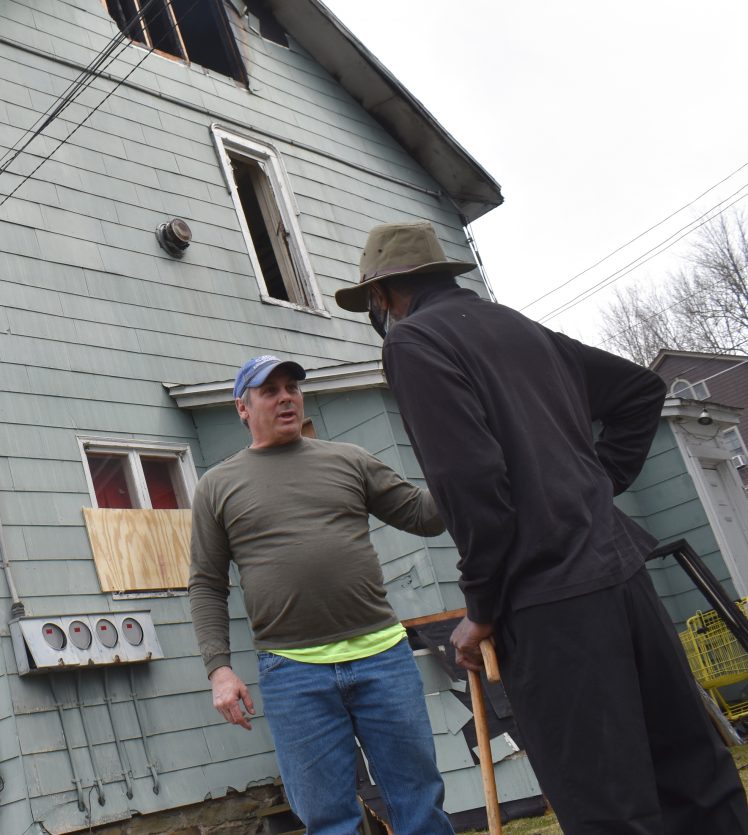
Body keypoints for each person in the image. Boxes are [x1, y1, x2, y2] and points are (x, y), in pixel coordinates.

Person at [336, 220, 748, 834]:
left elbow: (471, 481)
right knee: (697, 778)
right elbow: (639, 391)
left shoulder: (414, 343)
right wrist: (594, 486)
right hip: (623, 574)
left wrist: (481, 607)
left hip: (550, 603)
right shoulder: (518, 326)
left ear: (381, 292)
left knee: (608, 806)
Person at [188, 355, 456, 835]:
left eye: (292, 387)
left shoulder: (349, 460)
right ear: (242, 408)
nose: (286, 397)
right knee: (328, 821)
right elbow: (207, 583)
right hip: (293, 671)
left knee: (419, 804)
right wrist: (219, 669)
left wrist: (462, 463)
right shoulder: (217, 486)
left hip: (382, 657)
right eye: (270, 391)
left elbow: (423, 516)